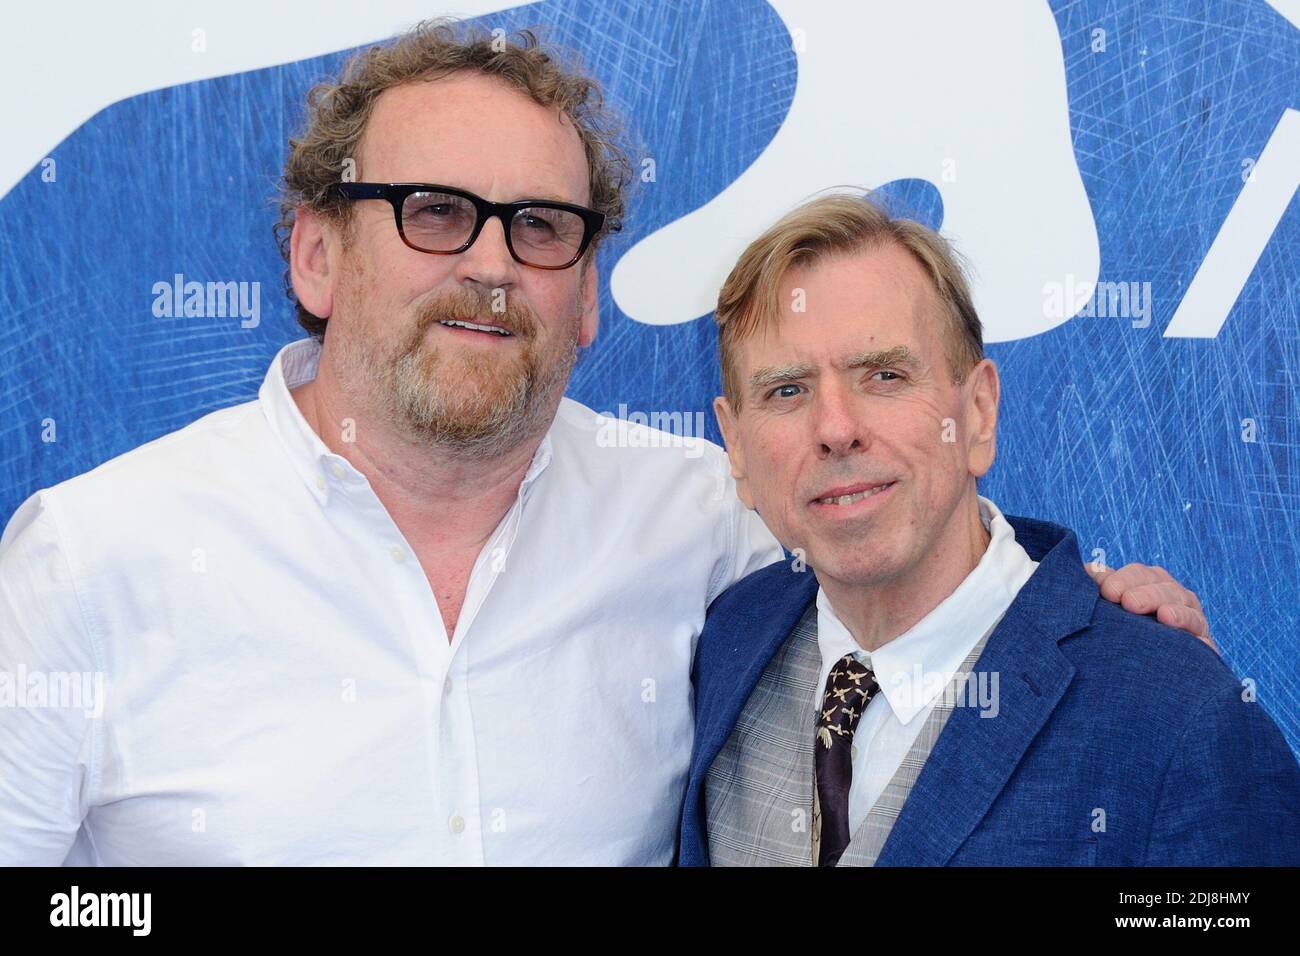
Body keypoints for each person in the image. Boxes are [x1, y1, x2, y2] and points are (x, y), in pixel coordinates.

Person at [0, 21, 1210, 866]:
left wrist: (1106, 633)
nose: (487, 264)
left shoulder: (709, 517)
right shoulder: (95, 560)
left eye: (539, 227)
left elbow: (917, 553)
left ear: (587, 297)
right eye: (432, 212)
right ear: (315, 255)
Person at [678, 193, 1300, 866]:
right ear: (735, 447)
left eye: (884, 375)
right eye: (787, 391)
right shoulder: (729, 641)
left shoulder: (1178, 717)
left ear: (977, 413)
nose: (835, 428)